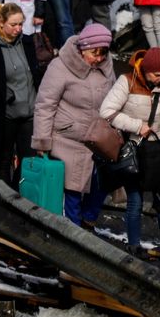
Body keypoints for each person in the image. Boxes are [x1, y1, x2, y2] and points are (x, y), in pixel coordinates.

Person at [99, 47, 160, 257]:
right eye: (157, 74)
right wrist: (137, 125)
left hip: (159, 149)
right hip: (134, 149)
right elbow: (106, 111)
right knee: (135, 199)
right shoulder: (126, 81)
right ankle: (134, 244)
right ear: (145, 70)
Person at [31, 23, 116, 226]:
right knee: (73, 192)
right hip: (68, 139)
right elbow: (45, 105)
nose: (100, 59)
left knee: (101, 184)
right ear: (83, 48)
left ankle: (86, 222)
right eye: (95, 53)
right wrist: (42, 142)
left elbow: (114, 99)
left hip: (99, 141)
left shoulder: (106, 65)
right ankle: (73, 236)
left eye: (103, 54)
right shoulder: (60, 67)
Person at [0, 3, 41, 185]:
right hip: (4, 114)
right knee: (2, 161)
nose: (18, 29)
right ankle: (5, 198)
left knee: (29, 159)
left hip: (29, 112)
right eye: (14, 25)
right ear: (1, 23)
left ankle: (19, 194)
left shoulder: (26, 42)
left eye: (21, 24)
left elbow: (34, 75)